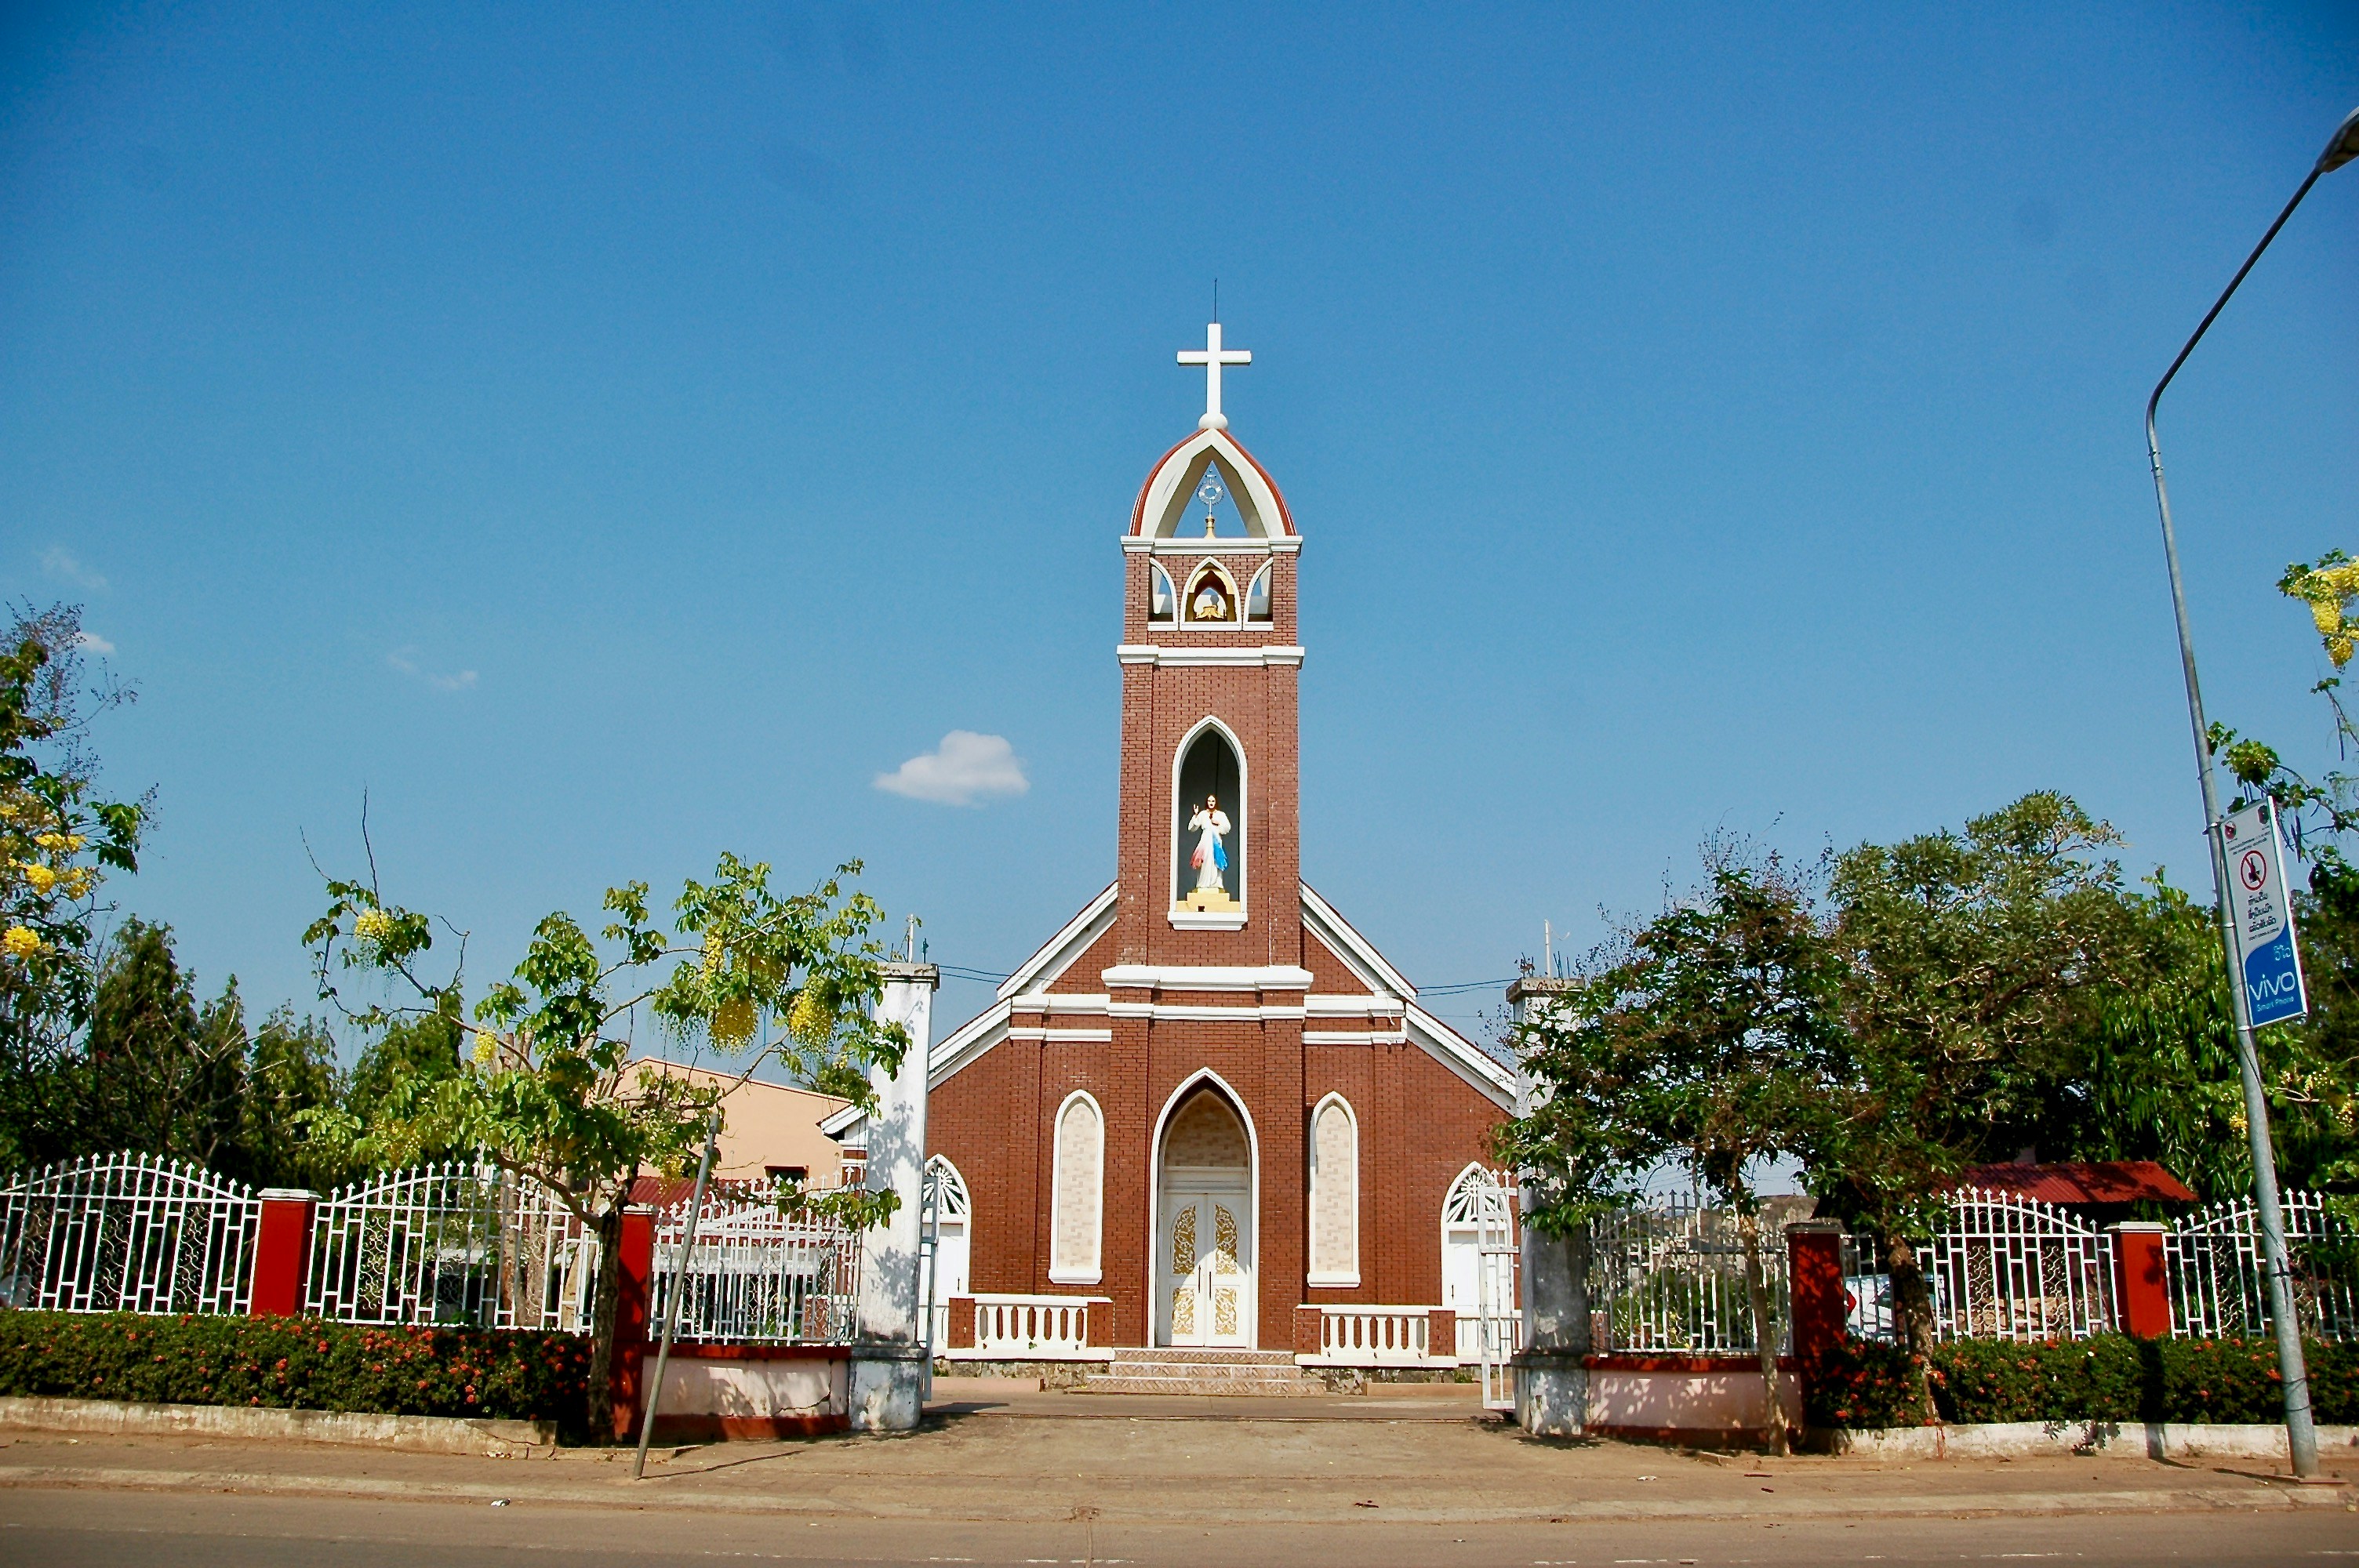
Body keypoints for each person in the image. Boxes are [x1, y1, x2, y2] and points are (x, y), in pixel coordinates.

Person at [1187, 795, 1231, 894]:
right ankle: (1203, 883)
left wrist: (1218, 823)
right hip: (1206, 839)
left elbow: (1227, 828)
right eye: (1209, 801)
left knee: (1216, 860)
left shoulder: (1220, 814)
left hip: (1216, 839)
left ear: (1216, 802)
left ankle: (1215, 883)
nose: (1211, 803)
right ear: (1207, 802)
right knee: (1205, 859)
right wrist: (1196, 815)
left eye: (1213, 801)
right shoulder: (1203, 814)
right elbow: (1193, 827)